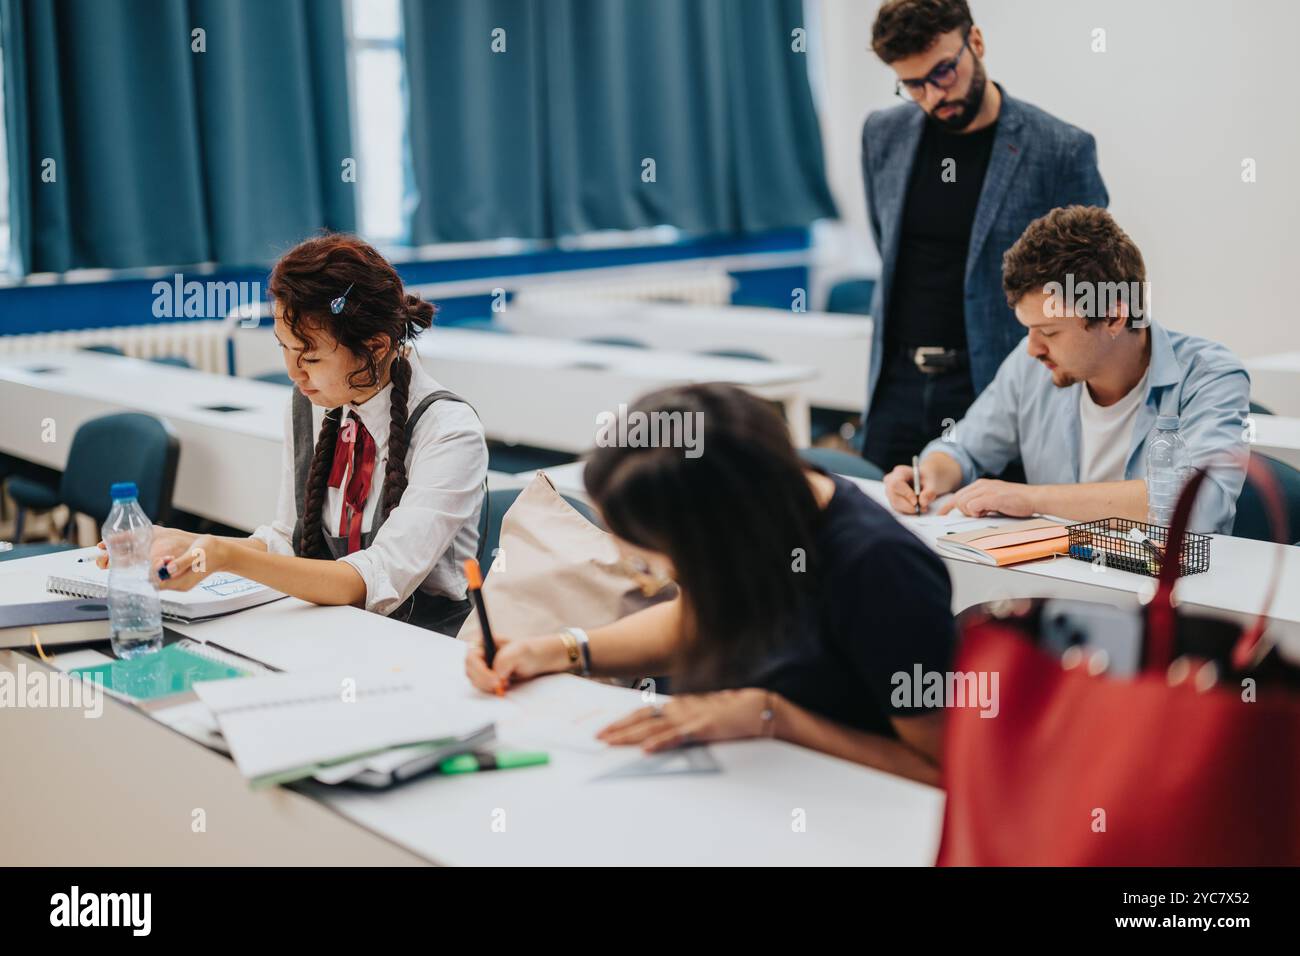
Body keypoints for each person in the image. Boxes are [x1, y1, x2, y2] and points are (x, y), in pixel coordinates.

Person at [466, 384, 956, 786]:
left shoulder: (883, 574)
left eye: (656, 559)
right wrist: (556, 650)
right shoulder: (771, 508)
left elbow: (943, 773)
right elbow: (695, 620)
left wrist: (770, 716)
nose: (649, 575)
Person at [96, 234, 488, 633]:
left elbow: (373, 579)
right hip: (338, 629)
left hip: (422, 644)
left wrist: (224, 555)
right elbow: (288, 538)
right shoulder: (309, 405)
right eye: (284, 347)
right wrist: (187, 543)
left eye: (312, 357)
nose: (293, 373)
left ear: (375, 346)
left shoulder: (450, 432)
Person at [883, 206, 1250, 535]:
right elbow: (965, 448)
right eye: (1029, 330)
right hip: (1060, 585)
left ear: (1113, 317)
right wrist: (929, 474)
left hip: (1164, 597)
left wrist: (1035, 499)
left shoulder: (1210, 376)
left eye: (1049, 332)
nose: (1032, 348)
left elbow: (1200, 504)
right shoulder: (1031, 365)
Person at [861, 0, 1108, 470]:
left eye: (943, 73)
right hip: (897, 383)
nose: (933, 96)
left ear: (975, 42)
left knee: (993, 533)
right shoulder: (882, 134)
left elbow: (1085, 284)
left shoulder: (1058, 148)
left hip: (998, 383)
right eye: (913, 85)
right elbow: (887, 245)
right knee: (878, 525)